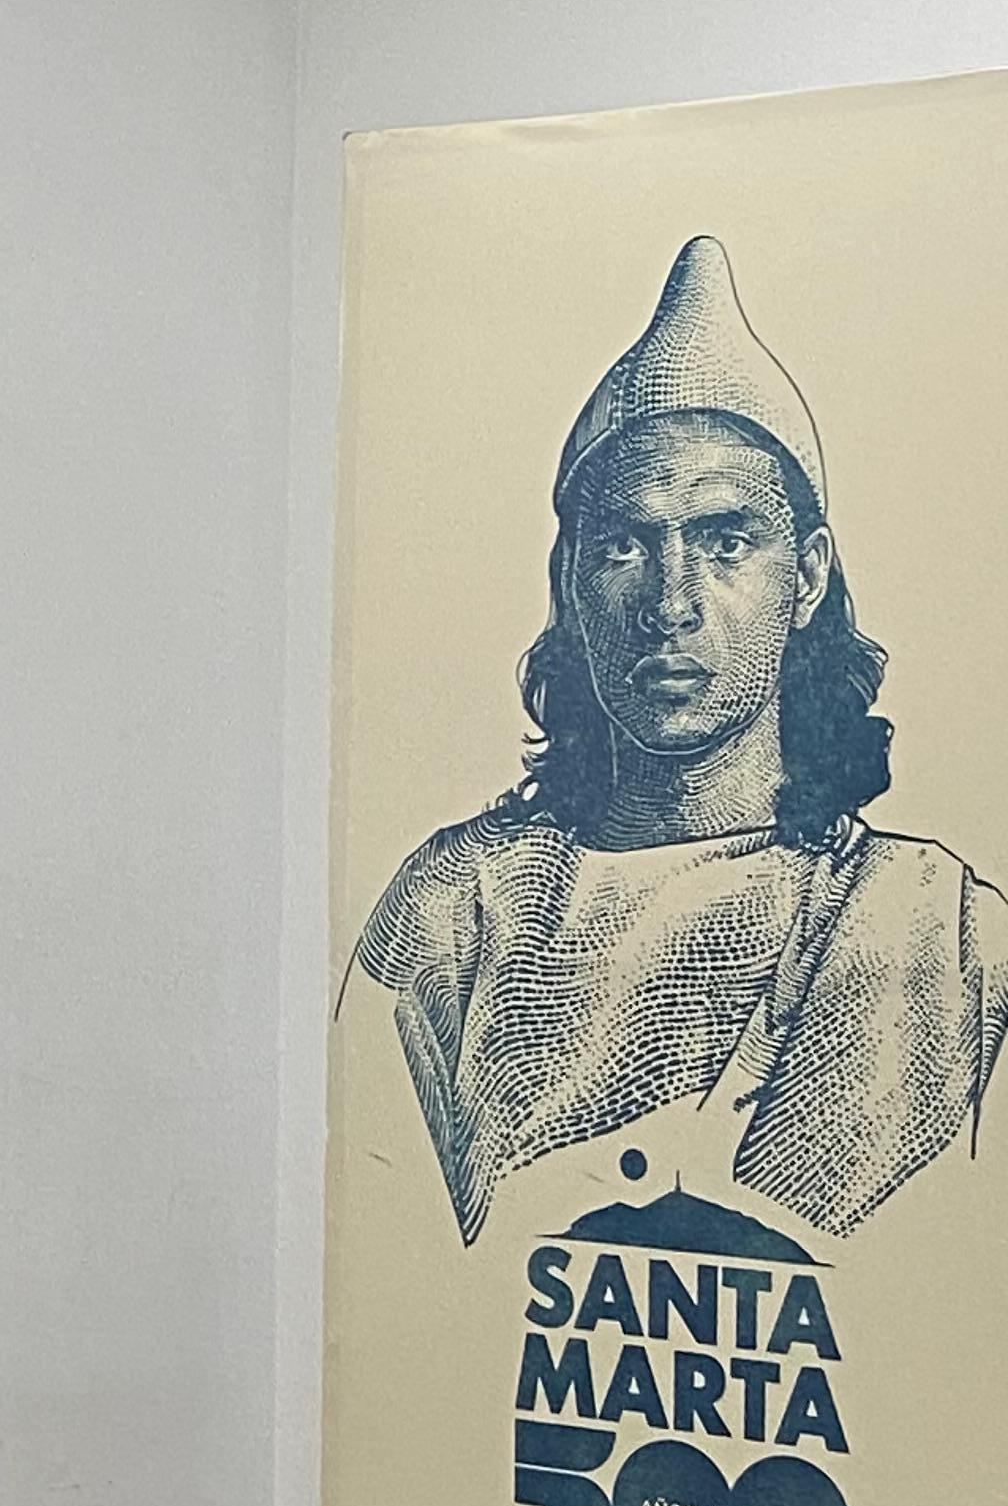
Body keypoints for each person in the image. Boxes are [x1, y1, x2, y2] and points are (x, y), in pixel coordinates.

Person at [351, 235, 1008, 1243]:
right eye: (625, 544)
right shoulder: (454, 907)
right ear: (571, 584)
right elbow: (384, 1238)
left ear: (807, 576)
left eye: (724, 542)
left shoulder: (938, 925)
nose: (671, 604)